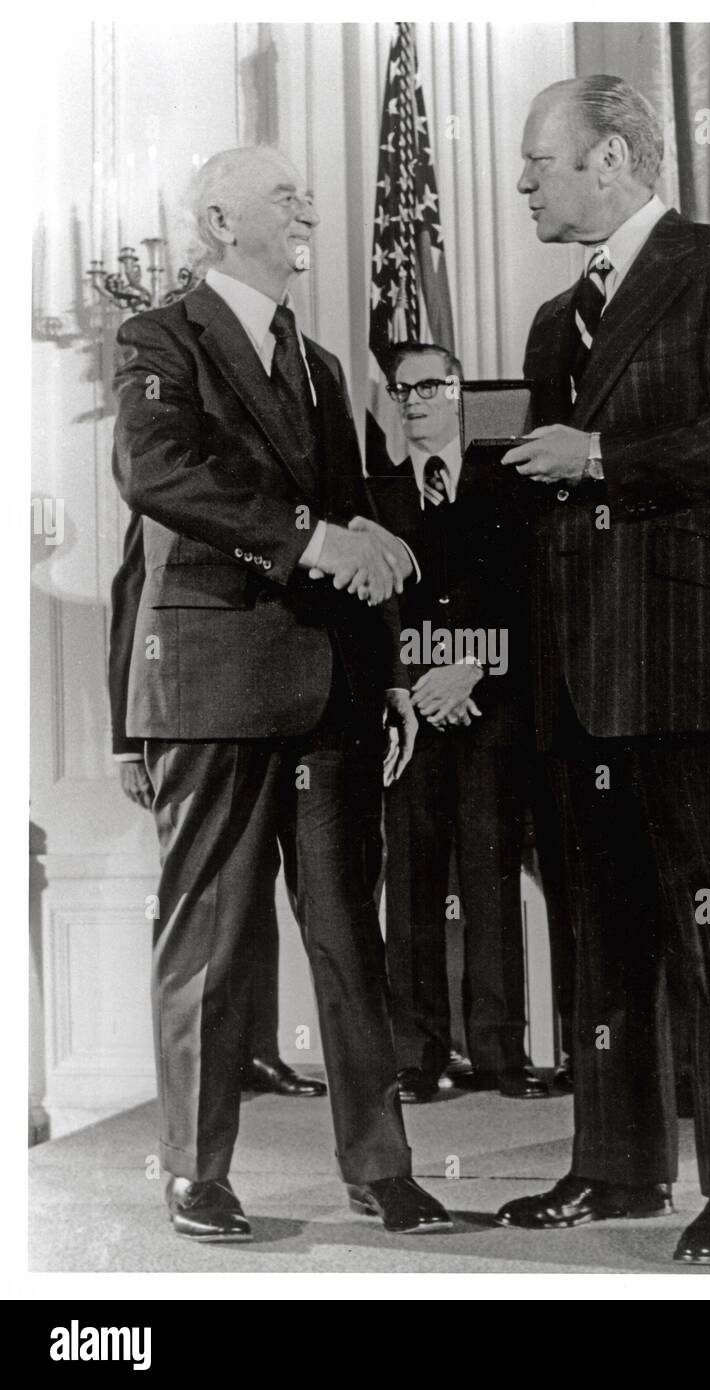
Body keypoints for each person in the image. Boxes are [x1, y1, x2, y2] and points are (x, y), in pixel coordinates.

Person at [493, 76, 710, 1264]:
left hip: (689, 659)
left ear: (614, 157)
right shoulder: (548, 322)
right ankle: (617, 1166)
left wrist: (606, 454)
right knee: (604, 934)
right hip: (580, 673)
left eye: (538, 161)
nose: (522, 182)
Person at [112, 144, 452, 1240]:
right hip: (213, 682)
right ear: (218, 220)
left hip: (331, 689)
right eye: (285, 195)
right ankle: (194, 1175)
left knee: (354, 934)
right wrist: (309, 538)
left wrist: (392, 668)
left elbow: (360, 524)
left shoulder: (318, 365)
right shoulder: (159, 337)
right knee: (211, 939)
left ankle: (383, 1169)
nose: (309, 206)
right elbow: (157, 471)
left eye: (307, 193)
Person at [368, 343, 547, 1103]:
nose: (412, 401)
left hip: (487, 708)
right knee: (410, 888)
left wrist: (473, 666)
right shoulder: (370, 494)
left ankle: (502, 1056)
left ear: (459, 395)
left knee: (488, 881)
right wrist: (406, 683)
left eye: (429, 387)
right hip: (406, 718)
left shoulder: (506, 485)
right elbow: (360, 606)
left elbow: (532, 591)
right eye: (400, 390)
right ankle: (417, 1057)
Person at [108, 509, 327, 1099]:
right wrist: (126, 747)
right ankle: (208, 1071)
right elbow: (134, 599)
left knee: (257, 899)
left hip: (278, 703)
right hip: (194, 714)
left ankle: (258, 1052)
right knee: (204, 910)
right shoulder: (165, 492)